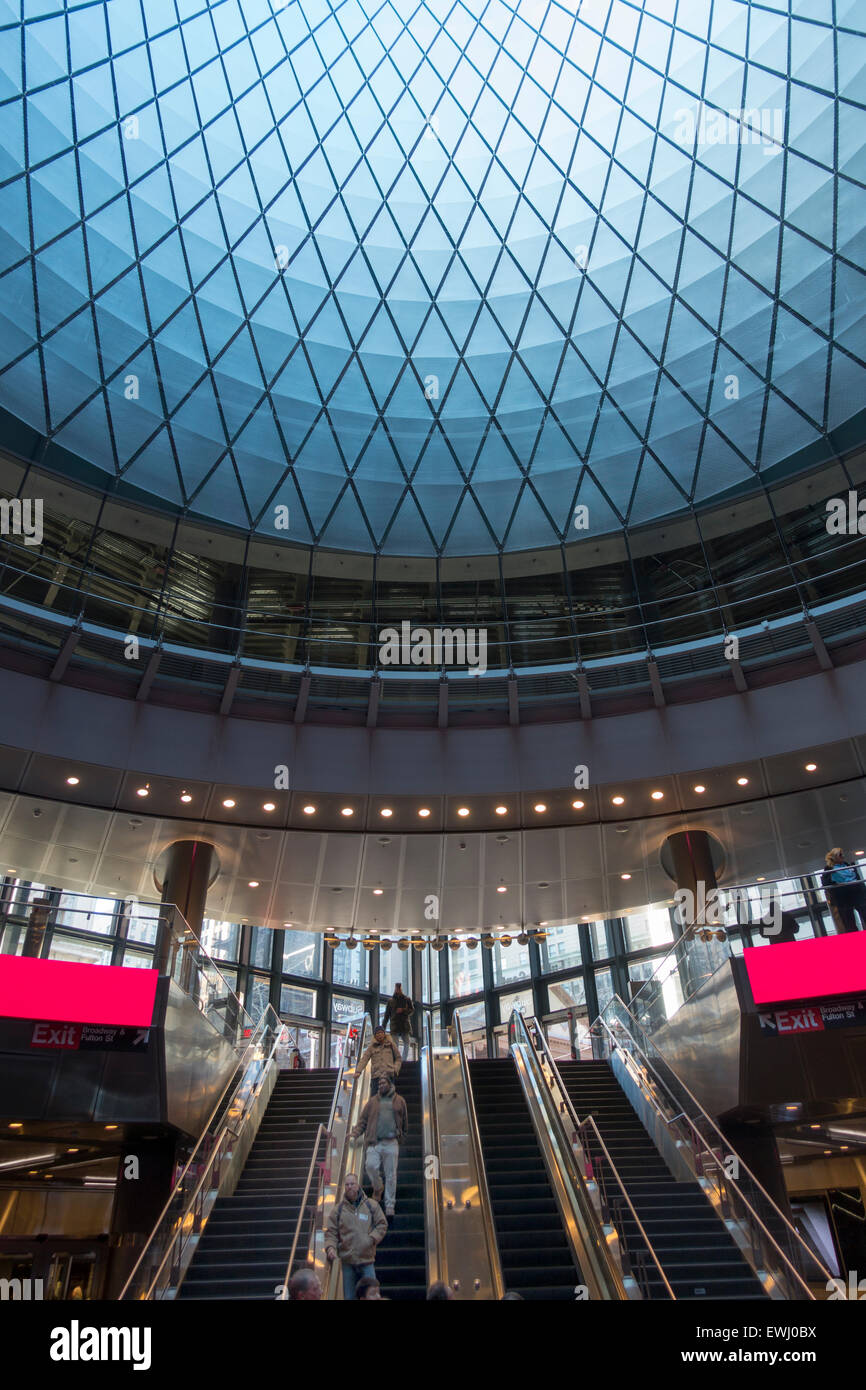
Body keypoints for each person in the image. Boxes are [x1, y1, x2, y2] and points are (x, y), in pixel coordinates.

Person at [351, 1074, 407, 1218]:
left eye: (383, 1083)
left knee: (391, 1175)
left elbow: (405, 1121)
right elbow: (363, 1120)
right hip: (374, 1142)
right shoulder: (372, 1102)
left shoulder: (399, 1101)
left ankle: (389, 1205)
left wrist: (402, 1136)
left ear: (389, 1084)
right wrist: (356, 1133)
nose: (381, 1086)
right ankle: (378, 1186)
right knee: (370, 1166)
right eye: (379, 1084)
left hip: (392, 1142)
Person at [325, 1172, 387, 1301]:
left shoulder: (371, 1205)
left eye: (352, 1184)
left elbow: (382, 1224)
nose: (349, 1187)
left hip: (367, 1259)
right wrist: (330, 1247)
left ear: (358, 1185)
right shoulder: (338, 1210)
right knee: (349, 1297)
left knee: (373, 1295)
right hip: (348, 1261)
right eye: (347, 1184)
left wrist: (371, 1239)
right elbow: (331, 1232)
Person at [821, 849, 866, 933]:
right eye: (840, 855)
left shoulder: (848, 865)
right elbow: (826, 883)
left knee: (864, 912)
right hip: (843, 897)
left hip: (857, 894)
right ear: (835, 857)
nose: (843, 856)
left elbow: (857, 878)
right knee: (849, 922)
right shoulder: (829, 869)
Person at [383, 982, 415, 1060]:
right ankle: (398, 1060)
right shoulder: (391, 1001)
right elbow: (387, 1015)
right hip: (397, 1025)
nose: (397, 990)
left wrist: (403, 1010)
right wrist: (383, 1027)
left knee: (405, 1043)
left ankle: (402, 1060)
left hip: (402, 1025)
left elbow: (412, 1010)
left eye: (398, 988)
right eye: (397, 988)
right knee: (397, 1044)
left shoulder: (406, 999)